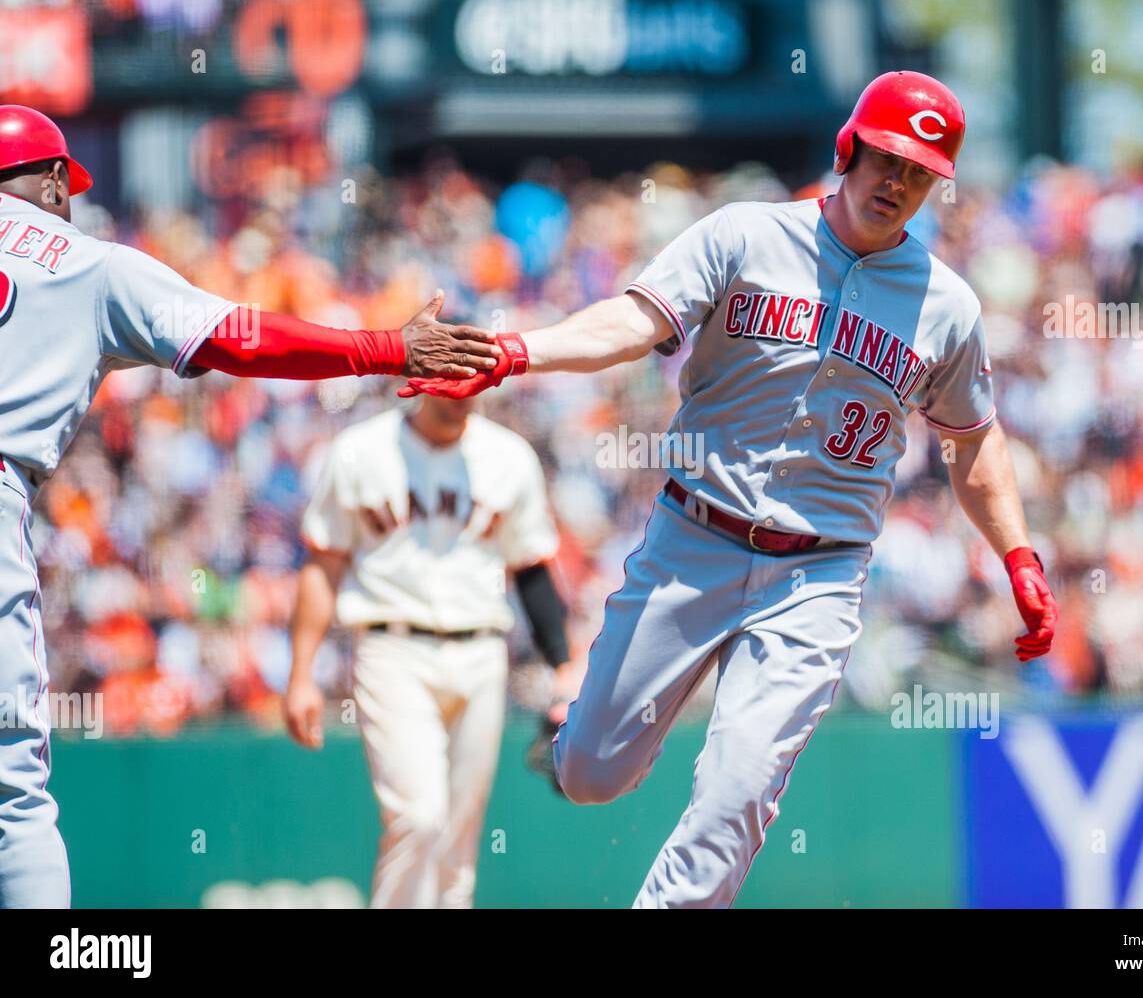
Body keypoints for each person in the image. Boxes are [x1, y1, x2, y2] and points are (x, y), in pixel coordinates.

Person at [400, 71, 1060, 908]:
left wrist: (1020, 555)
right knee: (596, 772)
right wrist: (515, 351)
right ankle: (569, 735)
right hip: (694, 539)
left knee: (738, 791)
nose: (898, 181)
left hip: (818, 573)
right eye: (888, 157)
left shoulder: (946, 307)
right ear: (849, 147)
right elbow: (633, 322)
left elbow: (975, 440)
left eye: (921, 170)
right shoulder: (747, 235)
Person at [0, 104, 494, 908]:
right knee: (12, 792)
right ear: (54, 180)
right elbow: (240, 336)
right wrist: (389, 347)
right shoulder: (88, 264)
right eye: (67, 187)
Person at [283, 392, 572, 908]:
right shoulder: (360, 450)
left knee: (457, 845)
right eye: (448, 381)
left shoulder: (509, 456)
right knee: (417, 818)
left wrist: (564, 663)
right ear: (415, 381)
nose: (462, 396)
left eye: (472, 383)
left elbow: (530, 567)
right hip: (390, 649)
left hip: (483, 652)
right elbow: (322, 562)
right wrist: (301, 672)